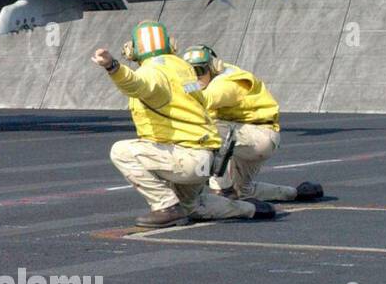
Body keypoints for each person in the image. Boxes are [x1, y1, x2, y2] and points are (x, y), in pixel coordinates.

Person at [93, 20, 271, 227]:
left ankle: (166, 207)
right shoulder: (183, 67)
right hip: (207, 158)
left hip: (187, 158)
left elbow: (138, 85)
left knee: (121, 151)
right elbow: (201, 99)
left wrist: (112, 67)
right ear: (171, 44)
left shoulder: (151, 71)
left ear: (133, 50)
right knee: (192, 206)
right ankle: (249, 208)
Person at [182, 45, 324, 203]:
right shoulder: (211, 79)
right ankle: (294, 193)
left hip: (257, 136)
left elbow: (204, 100)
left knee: (203, 130)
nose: (195, 77)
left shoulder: (227, 81)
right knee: (243, 191)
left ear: (213, 67)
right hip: (244, 137)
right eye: (189, 72)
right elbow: (192, 90)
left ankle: (222, 189)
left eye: (199, 71)